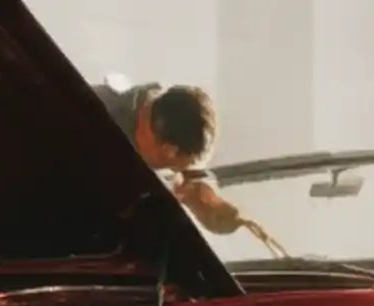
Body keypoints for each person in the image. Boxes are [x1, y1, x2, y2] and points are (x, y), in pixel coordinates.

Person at [91, 75, 254, 236]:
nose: (178, 174)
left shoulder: (148, 103)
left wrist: (199, 198)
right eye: (177, 166)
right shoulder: (102, 157)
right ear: (169, 150)